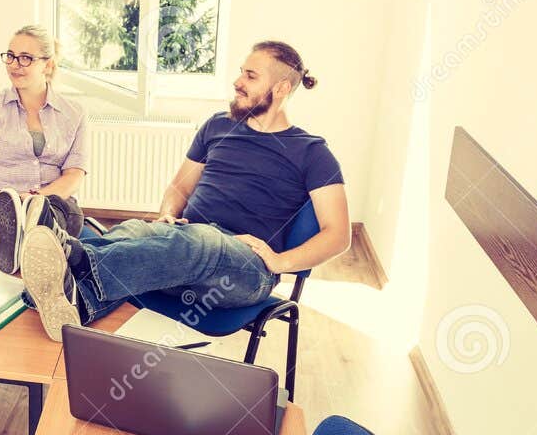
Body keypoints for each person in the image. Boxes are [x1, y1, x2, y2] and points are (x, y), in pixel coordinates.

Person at [18, 41, 350, 341]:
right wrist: (167, 214)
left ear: (280, 88)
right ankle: (80, 303)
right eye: (240, 73)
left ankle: (74, 257)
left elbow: (338, 235)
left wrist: (280, 262)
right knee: (136, 230)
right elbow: (180, 186)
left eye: (250, 76)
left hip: (244, 271)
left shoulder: (311, 152)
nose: (238, 82)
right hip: (183, 250)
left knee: (199, 240)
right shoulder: (218, 125)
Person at [0, 25, 88, 274]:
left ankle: (31, 240)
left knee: (59, 216)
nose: (15, 64)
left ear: (48, 65)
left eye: (26, 58)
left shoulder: (74, 113)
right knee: (7, 230)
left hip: (52, 203)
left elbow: (75, 173)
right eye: (11, 56)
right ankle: (33, 249)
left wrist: (37, 201)